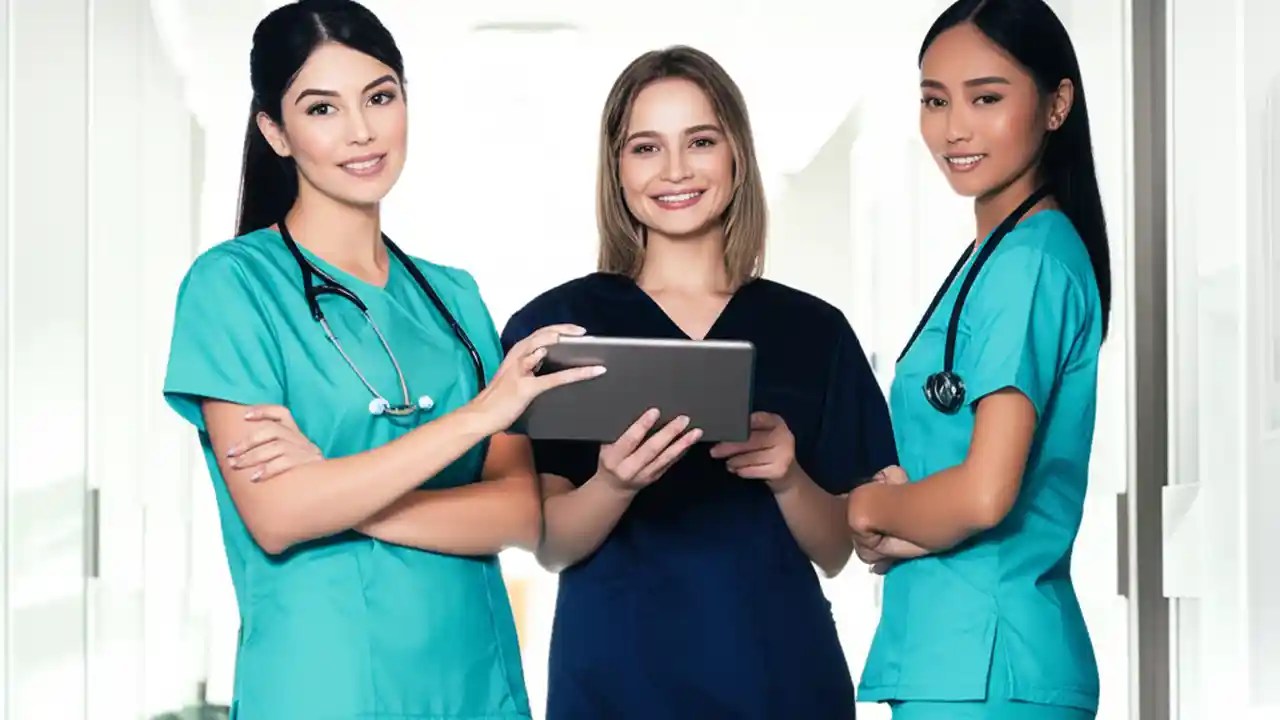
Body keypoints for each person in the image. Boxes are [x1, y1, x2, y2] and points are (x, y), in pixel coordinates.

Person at [160, 2, 601, 718]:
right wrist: (477, 419)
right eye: (322, 107)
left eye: (380, 96)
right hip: (322, 683)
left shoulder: (453, 297)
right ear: (275, 130)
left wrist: (334, 496)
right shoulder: (233, 287)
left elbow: (521, 512)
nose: (362, 131)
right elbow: (275, 516)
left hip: (472, 682)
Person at [498, 45, 898, 720]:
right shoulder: (558, 329)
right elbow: (549, 541)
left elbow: (835, 551)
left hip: (777, 676)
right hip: (618, 681)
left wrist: (786, 474)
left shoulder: (813, 331)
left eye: (700, 141)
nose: (676, 170)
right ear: (616, 169)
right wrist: (615, 483)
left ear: (735, 155)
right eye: (646, 147)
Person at [845, 1, 1112, 719]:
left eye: (986, 98)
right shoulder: (1001, 257)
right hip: (958, 661)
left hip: (990, 665)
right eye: (935, 100)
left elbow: (984, 495)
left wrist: (873, 507)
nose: (954, 128)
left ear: (1057, 104)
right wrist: (908, 508)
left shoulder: (1031, 262)